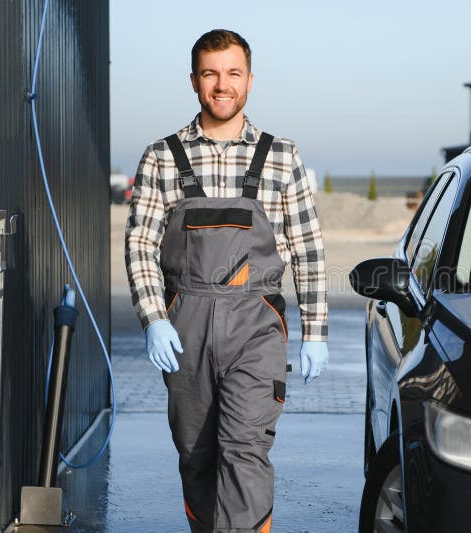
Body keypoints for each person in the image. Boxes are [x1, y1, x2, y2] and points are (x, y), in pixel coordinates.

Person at [125, 29, 329, 533]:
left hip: (256, 324)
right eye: (211, 73)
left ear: (250, 81)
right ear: (194, 80)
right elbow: (139, 246)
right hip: (185, 323)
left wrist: (316, 333)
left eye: (233, 73)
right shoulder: (161, 157)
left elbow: (308, 250)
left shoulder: (282, 155)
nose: (222, 84)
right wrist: (154, 318)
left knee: (244, 449)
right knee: (197, 455)